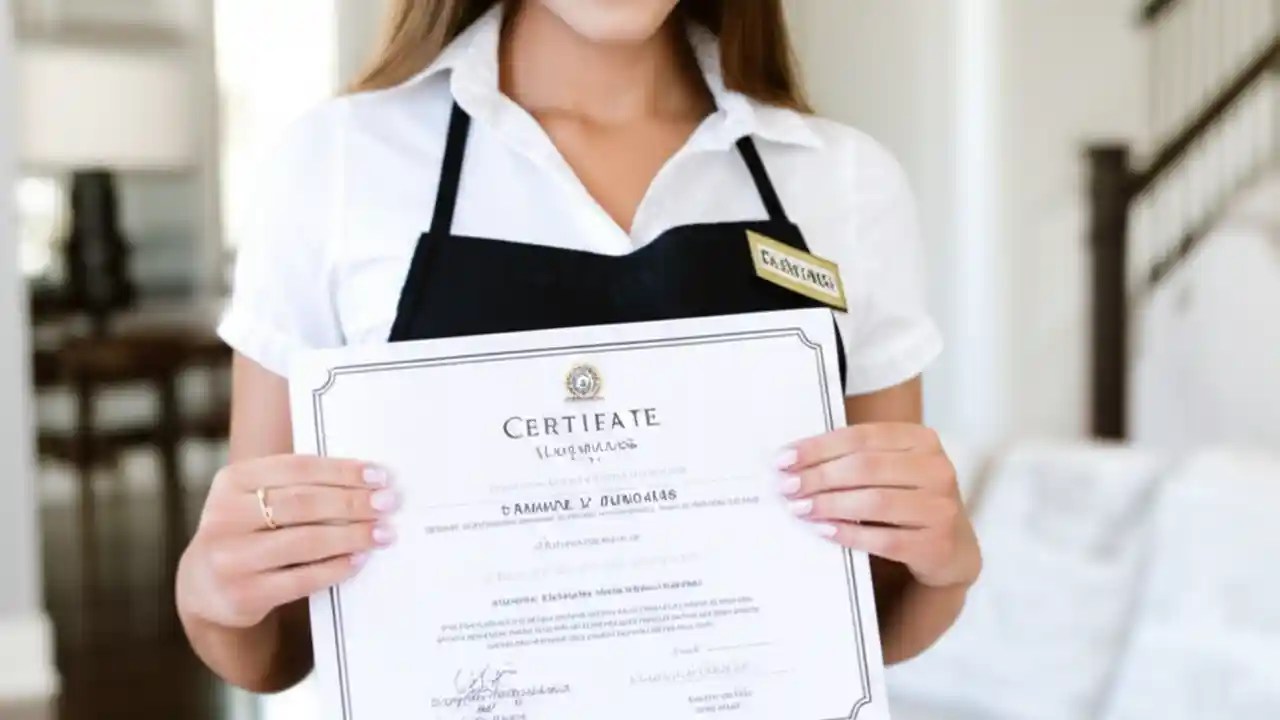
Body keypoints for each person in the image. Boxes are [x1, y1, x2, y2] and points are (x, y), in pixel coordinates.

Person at [177, 0, 982, 693]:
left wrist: (944, 568)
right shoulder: (338, 164)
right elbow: (276, 646)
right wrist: (214, 588)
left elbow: (860, 623)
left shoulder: (844, 181)